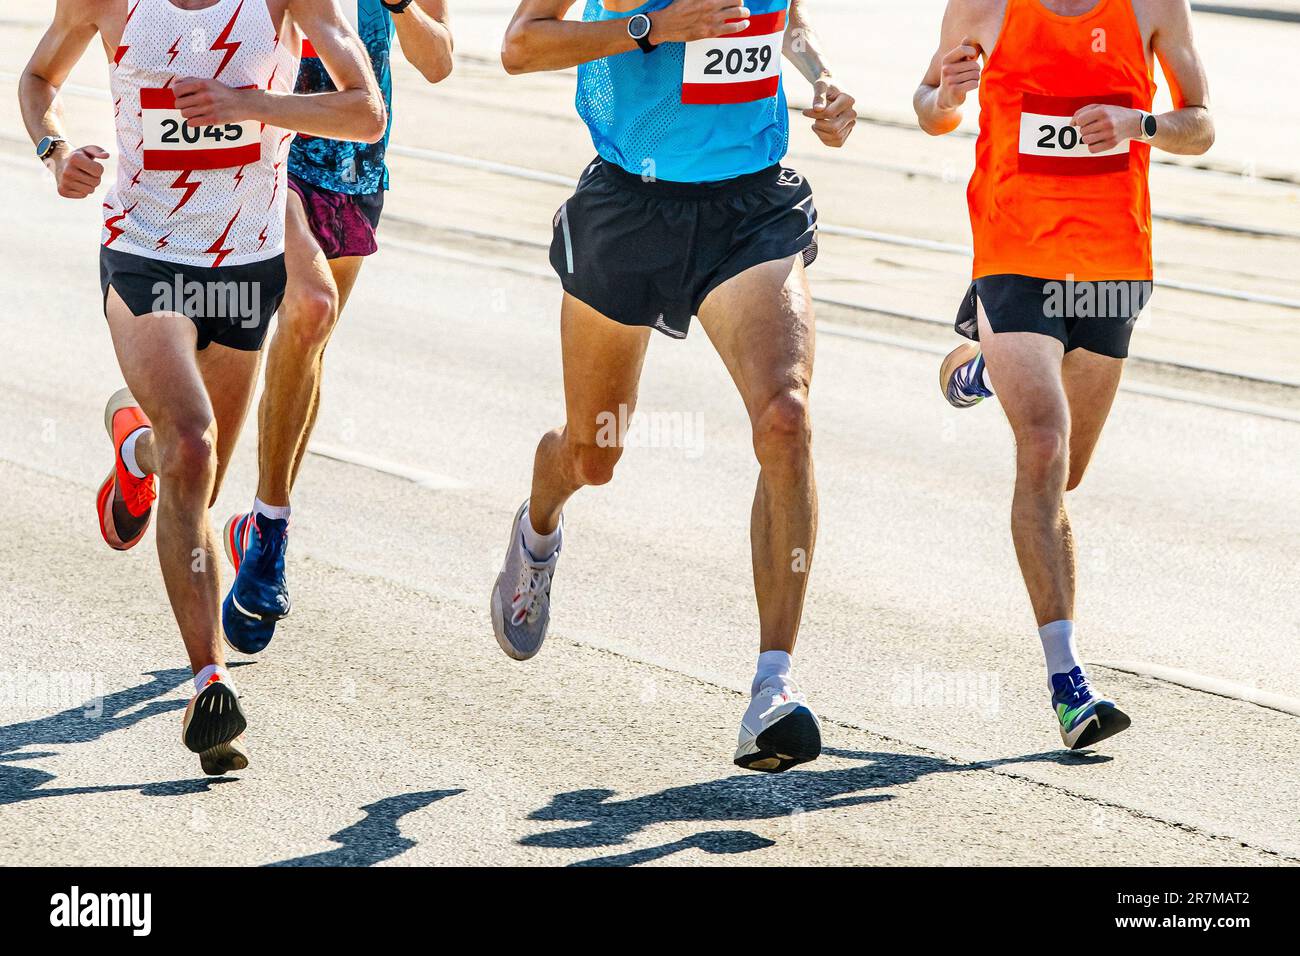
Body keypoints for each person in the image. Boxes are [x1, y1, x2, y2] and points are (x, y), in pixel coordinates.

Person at [19, 0, 386, 774]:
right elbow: (38, 77)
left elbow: (365, 113)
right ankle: (207, 680)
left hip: (245, 265)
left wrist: (248, 105)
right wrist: (55, 152)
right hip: (145, 255)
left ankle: (135, 449)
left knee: (197, 474)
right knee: (194, 441)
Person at [493, 0, 857, 772]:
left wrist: (823, 81)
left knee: (785, 418)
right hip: (630, 204)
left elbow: (786, 22)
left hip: (751, 206)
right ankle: (540, 526)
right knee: (595, 454)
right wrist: (652, 27)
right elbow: (522, 46)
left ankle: (772, 690)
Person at [914, 0, 1213, 748]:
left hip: (1113, 269)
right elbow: (928, 109)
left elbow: (1201, 124)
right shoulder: (984, 7)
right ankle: (1068, 682)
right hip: (1015, 254)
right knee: (1042, 447)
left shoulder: (1152, 7)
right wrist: (946, 95)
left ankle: (984, 369)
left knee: (1065, 474)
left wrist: (1138, 122)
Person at [221, 0, 454, 655]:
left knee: (308, 336)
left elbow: (436, 62)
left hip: (352, 170)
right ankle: (166, 440)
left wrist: (404, 7)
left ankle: (265, 529)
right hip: (268, 155)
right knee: (294, 315)